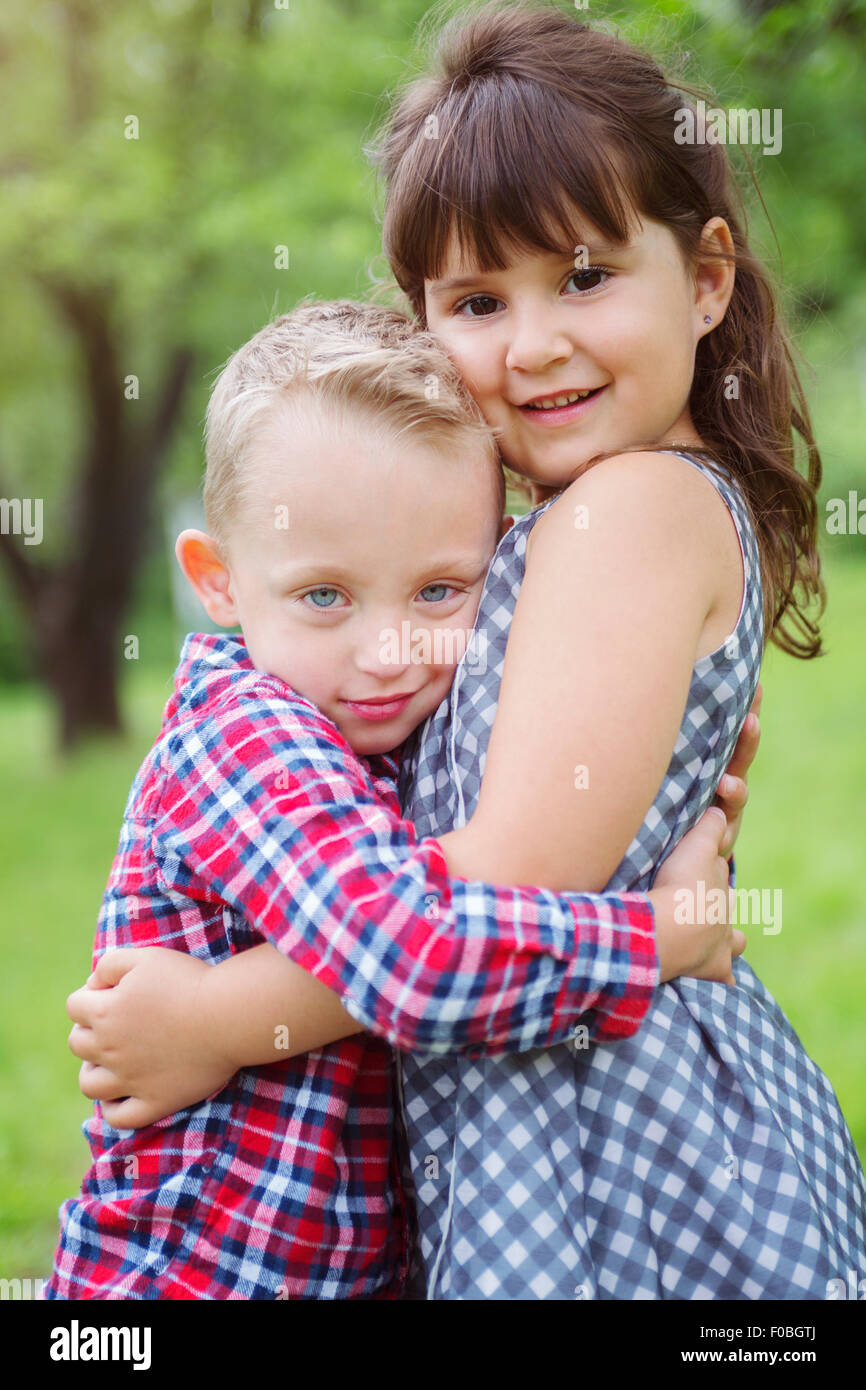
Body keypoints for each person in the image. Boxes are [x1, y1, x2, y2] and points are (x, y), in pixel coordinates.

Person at [49, 298, 742, 1301]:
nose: (388, 654)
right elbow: (413, 958)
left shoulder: (407, 724)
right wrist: (663, 936)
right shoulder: (246, 738)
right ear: (219, 580)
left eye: (437, 592)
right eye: (324, 596)